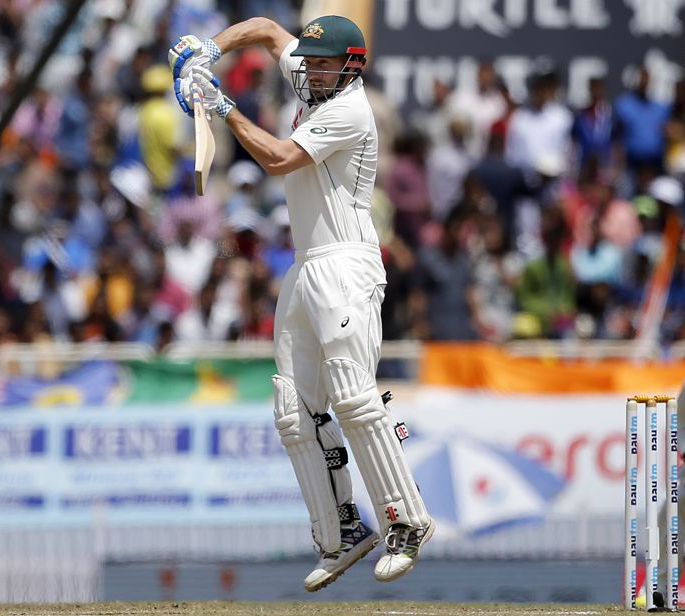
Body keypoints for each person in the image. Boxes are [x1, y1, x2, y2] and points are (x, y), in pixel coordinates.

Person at [168, 14, 433, 592]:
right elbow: (265, 28)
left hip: (347, 262)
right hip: (306, 262)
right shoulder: (315, 75)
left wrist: (219, 105)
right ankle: (341, 531)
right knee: (294, 410)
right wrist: (206, 51)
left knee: (354, 396)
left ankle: (406, 521)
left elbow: (278, 159)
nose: (310, 70)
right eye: (308, 61)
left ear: (350, 66)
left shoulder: (349, 109)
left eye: (322, 63)